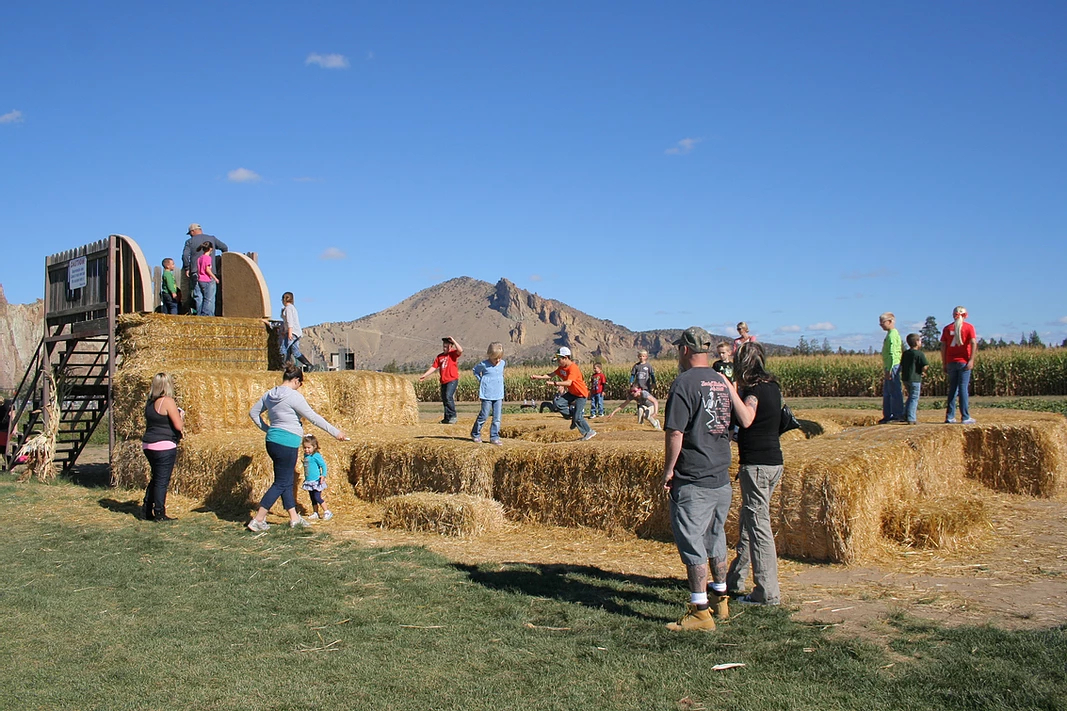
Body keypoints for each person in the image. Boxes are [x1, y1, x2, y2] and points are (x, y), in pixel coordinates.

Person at [662, 327, 749, 632]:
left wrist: (669, 470)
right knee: (716, 536)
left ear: (685, 349)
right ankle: (721, 599)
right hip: (720, 475)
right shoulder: (721, 380)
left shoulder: (683, 383)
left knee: (693, 543)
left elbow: (675, 432)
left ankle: (700, 610)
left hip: (694, 475)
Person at [248, 365, 347, 531]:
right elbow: (313, 417)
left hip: (272, 441)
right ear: (296, 380)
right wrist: (336, 432)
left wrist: (268, 429)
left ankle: (294, 518)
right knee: (281, 483)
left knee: (286, 480)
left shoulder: (270, 394)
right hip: (287, 443)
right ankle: (258, 519)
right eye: (300, 384)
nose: (299, 387)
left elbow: (253, 413)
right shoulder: (293, 397)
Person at [725, 342, 783, 606]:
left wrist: (730, 389)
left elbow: (747, 418)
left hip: (757, 465)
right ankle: (735, 579)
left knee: (758, 526)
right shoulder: (774, 387)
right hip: (773, 462)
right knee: (749, 522)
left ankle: (766, 592)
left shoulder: (754, 391)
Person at [141, 373, 184, 521]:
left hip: (148, 444)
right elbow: (178, 426)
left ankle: (146, 509)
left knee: (155, 478)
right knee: (161, 481)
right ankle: (159, 512)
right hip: (164, 446)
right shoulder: (168, 401)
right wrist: (181, 416)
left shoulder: (149, 403)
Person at [531, 347, 596, 441]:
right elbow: (550, 375)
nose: (558, 362)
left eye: (559, 359)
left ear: (565, 358)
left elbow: (568, 383)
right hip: (572, 393)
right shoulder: (561, 368)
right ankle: (573, 416)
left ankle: (589, 431)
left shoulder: (573, 368)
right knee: (558, 404)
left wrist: (554, 383)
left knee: (578, 417)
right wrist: (537, 377)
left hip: (580, 394)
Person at [941, 306, 978, 425]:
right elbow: (973, 343)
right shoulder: (969, 327)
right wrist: (971, 359)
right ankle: (965, 416)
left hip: (951, 361)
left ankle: (950, 416)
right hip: (964, 361)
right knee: (963, 388)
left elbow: (943, 346)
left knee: (953, 388)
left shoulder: (947, 328)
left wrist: (944, 362)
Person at [181, 223, 228, 314]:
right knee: (210, 297)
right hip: (211, 271)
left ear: (193, 231)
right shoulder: (212, 239)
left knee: (198, 296)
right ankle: (208, 316)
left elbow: (185, 256)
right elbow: (224, 247)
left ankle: (200, 315)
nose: (190, 235)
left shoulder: (189, 241)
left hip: (196, 272)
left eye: (190, 233)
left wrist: (187, 268)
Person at [419, 337, 464, 424]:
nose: (444, 348)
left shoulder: (453, 354)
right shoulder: (440, 357)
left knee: (448, 396)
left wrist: (453, 341)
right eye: (443, 346)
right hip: (444, 380)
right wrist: (425, 375)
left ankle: (453, 416)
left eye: (446, 347)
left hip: (452, 379)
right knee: (445, 399)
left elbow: (460, 350)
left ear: (450, 347)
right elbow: (434, 367)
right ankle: (447, 418)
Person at [471, 342, 506, 445]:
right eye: (495, 358)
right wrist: (481, 380)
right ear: (490, 356)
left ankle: (494, 437)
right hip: (487, 394)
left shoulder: (502, 363)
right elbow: (475, 371)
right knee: (484, 415)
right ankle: (475, 433)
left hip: (498, 394)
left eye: (499, 358)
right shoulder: (484, 364)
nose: (497, 360)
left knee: (497, 418)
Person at [878, 312, 904, 423]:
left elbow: (892, 353)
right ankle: (888, 415)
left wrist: (889, 369)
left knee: (894, 391)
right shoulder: (890, 334)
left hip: (893, 366)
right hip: (889, 366)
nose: (881, 325)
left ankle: (897, 414)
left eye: (882, 323)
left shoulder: (892, 335)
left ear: (890, 321)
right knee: (888, 392)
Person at [301, 434, 332, 521]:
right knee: (312, 498)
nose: (306, 449)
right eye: (305, 447)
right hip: (309, 481)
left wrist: (323, 475)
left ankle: (327, 511)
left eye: (308, 448)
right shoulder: (306, 455)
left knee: (317, 497)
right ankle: (315, 512)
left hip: (316, 481)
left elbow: (323, 465)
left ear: (314, 447)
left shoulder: (316, 455)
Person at [900, 333, 929, 425]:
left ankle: (905, 414)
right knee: (914, 398)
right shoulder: (919, 354)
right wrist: (923, 372)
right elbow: (925, 365)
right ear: (916, 342)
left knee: (910, 396)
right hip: (915, 378)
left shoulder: (905, 353)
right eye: (920, 341)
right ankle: (911, 418)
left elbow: (902, 365)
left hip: (906, 378)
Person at [280, 292, 313, 369]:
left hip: (292, 332)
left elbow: (290, 321)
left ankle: (284, 367)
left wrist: (289, 333)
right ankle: (309, 366)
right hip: (296, 332)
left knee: (284, 349)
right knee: (295, 351)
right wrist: (285, 331)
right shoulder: (292, 308)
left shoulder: (288, 308)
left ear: (284, 299)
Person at [193, 242, 220, 317]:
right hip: (207, 280)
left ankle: (200, 313)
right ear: (211, 249)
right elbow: (207, 269)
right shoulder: (208, 258)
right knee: (209, 299)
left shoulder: (199, 258)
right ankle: (207, 314)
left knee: (201, 298)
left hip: (200, 279)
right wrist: (215, 278)